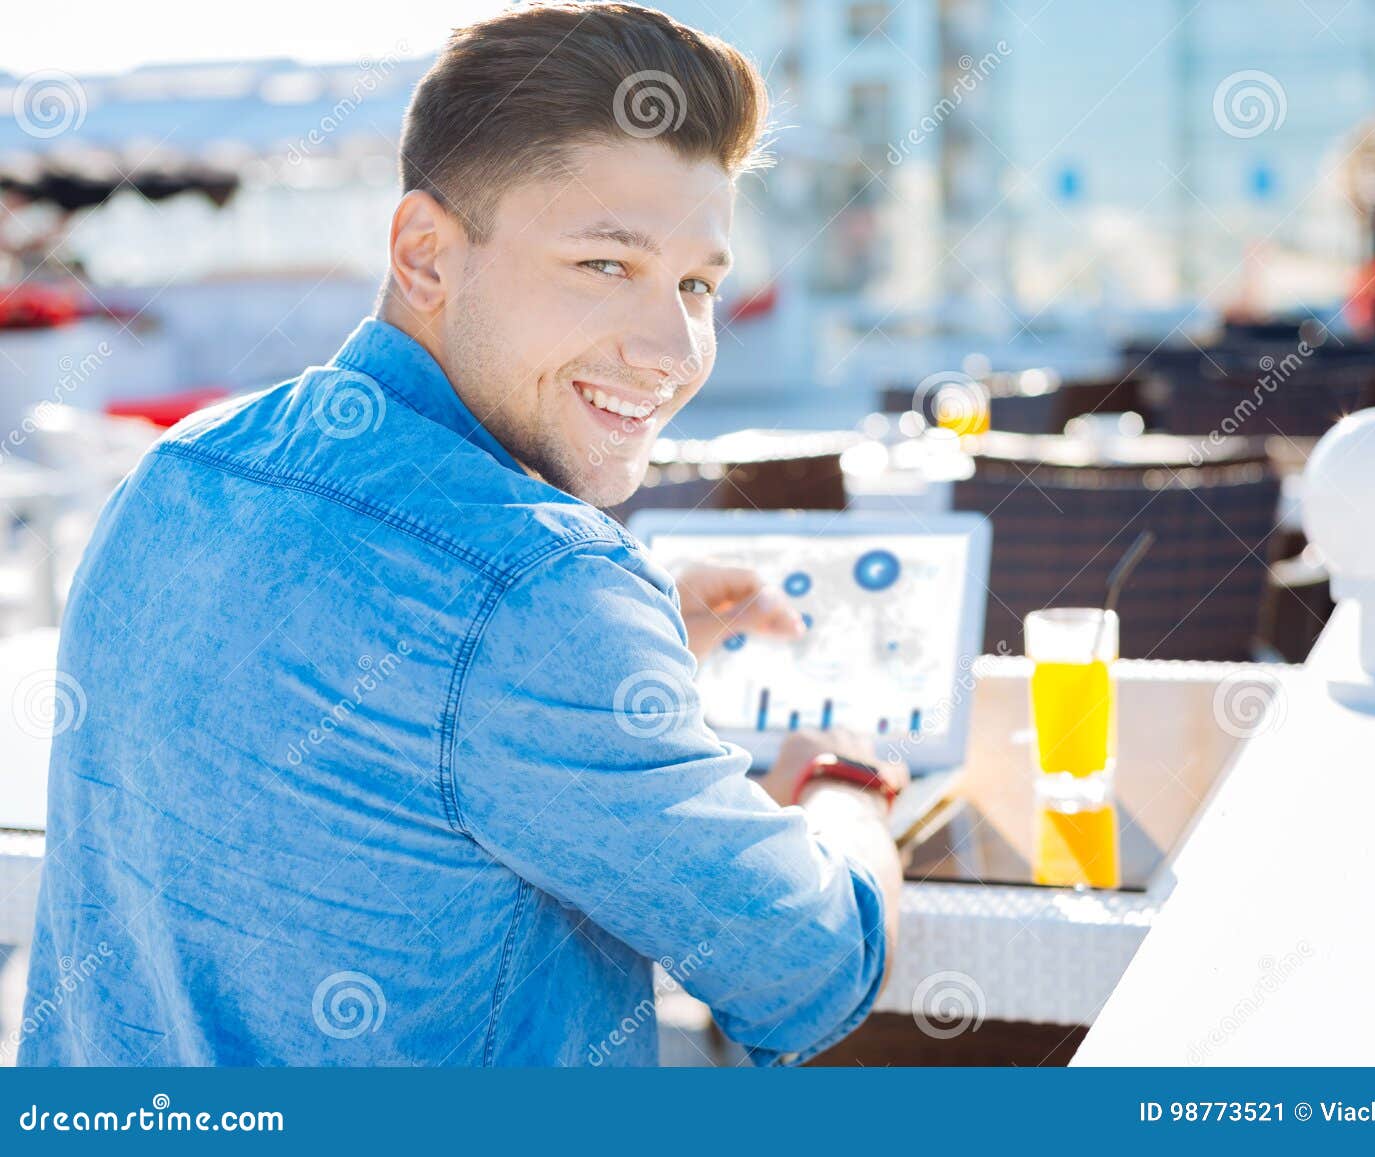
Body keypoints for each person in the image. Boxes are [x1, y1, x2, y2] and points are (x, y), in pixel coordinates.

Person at [21, 2, 904, 1067]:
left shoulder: (179, 473)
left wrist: (631, 646)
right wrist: (845, 788)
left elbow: (368, 728)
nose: (673, 345)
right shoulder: (540, 591)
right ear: (425, 254)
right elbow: (812, 966)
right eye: (605, 265)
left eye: (697, 284)